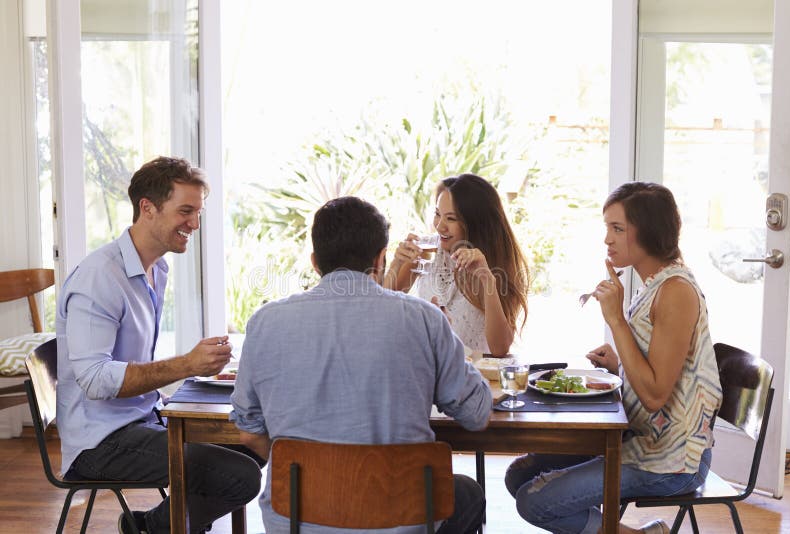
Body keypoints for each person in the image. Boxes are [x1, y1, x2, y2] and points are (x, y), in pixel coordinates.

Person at [230, 196, 492, 534]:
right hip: (403, 519)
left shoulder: (264, 322)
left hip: (298, 518)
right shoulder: (425, 319)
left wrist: (320, 476)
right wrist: (447, 343)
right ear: (381, 260)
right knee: (466, 493)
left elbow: (250, 434)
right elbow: (478, 414)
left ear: (314, 262)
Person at [56, 156, 262, 534]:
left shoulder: (156, 269)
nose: (194, 224)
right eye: (186, 211)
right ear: (147, 209)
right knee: (240, 476)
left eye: (198, 212)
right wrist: (187, 364)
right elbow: (96, 380)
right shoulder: (100, 277)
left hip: (142, 420)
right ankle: (152, 530)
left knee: (254, 442)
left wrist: (197, 372)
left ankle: (153, 527)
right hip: (99, 443)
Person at [504, 182, 723, 534]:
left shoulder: (676, 292)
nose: (607, 239)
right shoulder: (652, 283)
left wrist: (616, 320)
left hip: (671, 460)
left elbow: (654, 396)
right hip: (639, 439)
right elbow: (660, 373)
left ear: (649, 231)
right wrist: (618, 366)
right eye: (607, 228)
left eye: (617, 228)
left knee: (534, 500)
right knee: (521, 474)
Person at [384, 174, 529, 355]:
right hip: (427, 370)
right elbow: (380, 311)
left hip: (474, 376)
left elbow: (499, 349)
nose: (440, 226)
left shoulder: (499, 260)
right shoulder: (426, 249)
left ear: (476, 222)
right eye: (437, 214)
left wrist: (487, 280)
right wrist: (396, 264)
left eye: (451, 219)